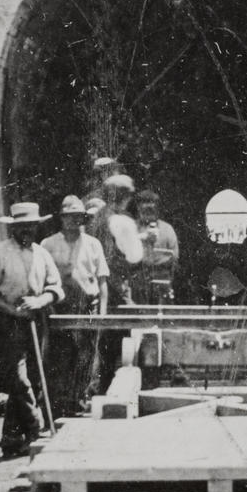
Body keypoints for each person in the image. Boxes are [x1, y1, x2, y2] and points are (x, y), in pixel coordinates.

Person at [0, 201, 64, 456]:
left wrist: (39, 301)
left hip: (37, 320)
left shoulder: (42, 254)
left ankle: (12, 440)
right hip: (8, 323)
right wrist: (13, 310)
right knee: (18, 380)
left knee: (33, 380)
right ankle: (37, 429)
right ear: (14, 227)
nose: (27, 230)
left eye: (31, 226)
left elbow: (56, 288)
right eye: (22, 226)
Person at [43, 196, 109, 419]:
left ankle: (78, 404)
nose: (74, 221)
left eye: (78, 217)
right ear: (62, 219)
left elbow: (101, 281)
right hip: (60, 308)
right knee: (60, 358)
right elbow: (43, 280)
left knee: (85, 358)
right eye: (70, 217)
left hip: (87, 307)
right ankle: (55, 409)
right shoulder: (48, 244)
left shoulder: (93, 244)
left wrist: (102, 315)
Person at [89, 172, 146, 309]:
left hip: (94, 285)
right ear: (126, 197)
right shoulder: (122, 221)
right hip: (117, 288)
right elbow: (134, 257)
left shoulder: (97, 218)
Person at [131, 189, 179, 305]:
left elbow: (174, 258)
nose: (148, 208)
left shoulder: (167, 229)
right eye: (144, 205)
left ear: (158, 208)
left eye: (152, 206)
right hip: (138, 285)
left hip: (161, 284)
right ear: (138, 207)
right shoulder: (131, 228)